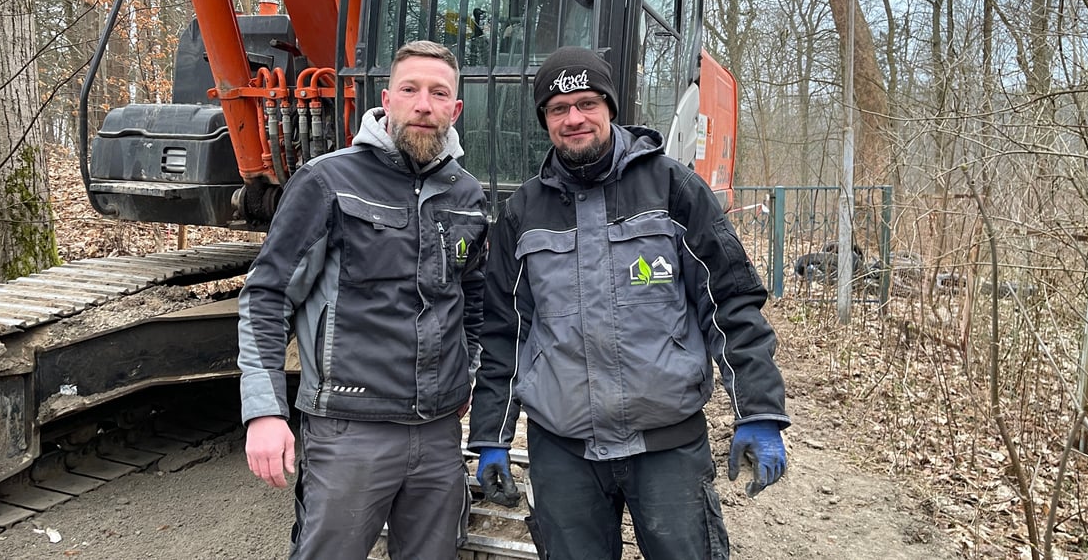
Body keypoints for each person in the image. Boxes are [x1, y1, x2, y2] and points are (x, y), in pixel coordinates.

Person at [468, 46, 789, 560]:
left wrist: (759, 410)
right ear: (544, 121)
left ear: (610, 108)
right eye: (558, 109)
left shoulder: (673, 188)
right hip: (563, 451)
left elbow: (730, 304)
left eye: (587, 103)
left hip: (667, 447)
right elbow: (505, 332)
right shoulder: (521, 213)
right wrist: (491, 436)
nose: (574, 118)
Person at [237, 40, 489, 560]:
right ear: (387, 98)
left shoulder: (467, 195)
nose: (424, 104)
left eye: (439, 93)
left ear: (455, 108)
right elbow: (267, 295)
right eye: (411, 89)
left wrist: (466, 374)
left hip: (439, 432)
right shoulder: (327, 181)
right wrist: (264, 411)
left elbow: (473, 298)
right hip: (350, 428)